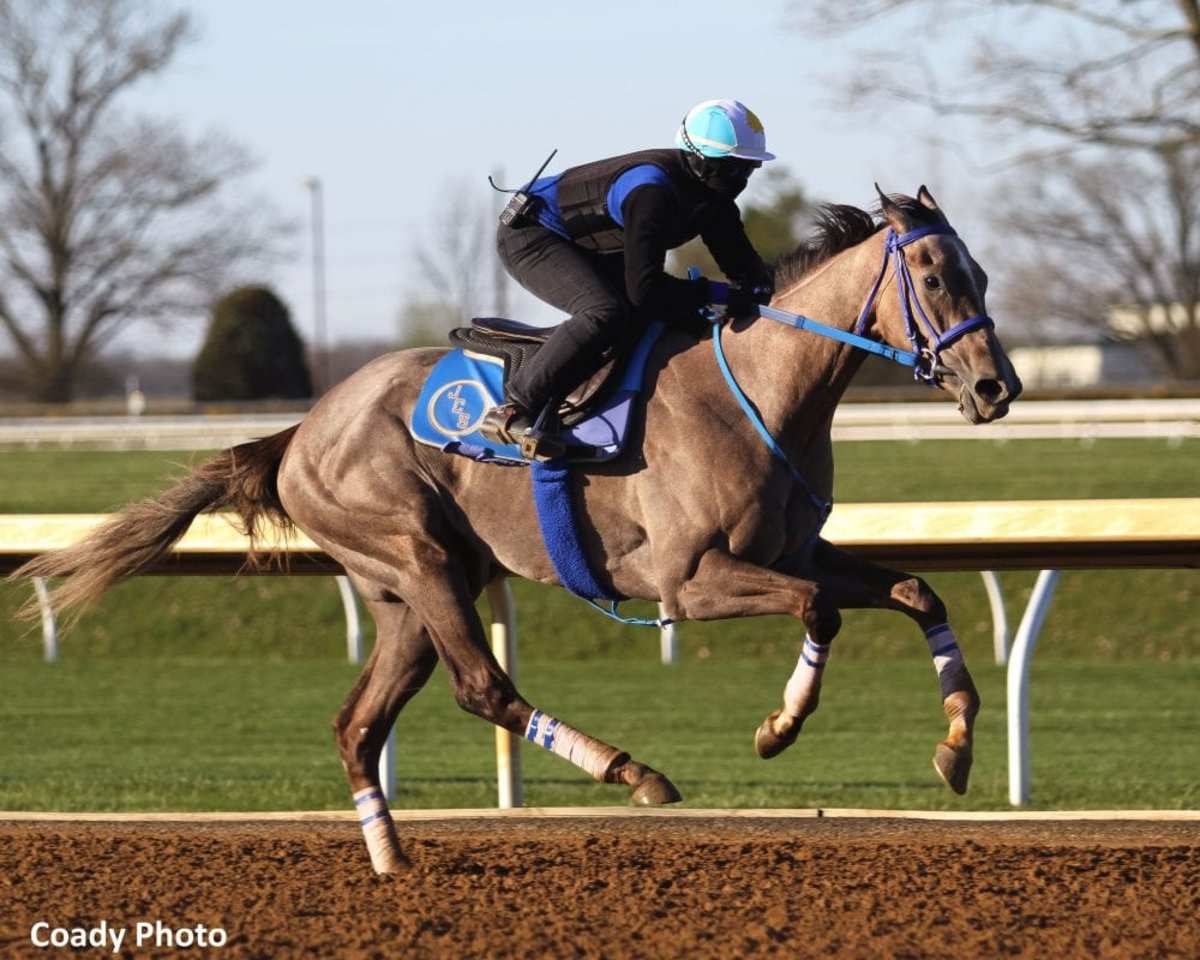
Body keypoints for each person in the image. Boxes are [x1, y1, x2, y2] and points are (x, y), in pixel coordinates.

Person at [478, 98, 777, 459]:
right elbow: (645, 291)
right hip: (532, 236)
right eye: (731, 168)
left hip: (593, 243)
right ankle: (514, 407)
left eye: (747, 169)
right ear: (697, 157)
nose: (739, 180)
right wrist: (718, 294)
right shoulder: (651, 193)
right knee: (605, 311)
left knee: (644, 319)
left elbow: (753, 279)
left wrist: (756, 292)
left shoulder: (714, 201)